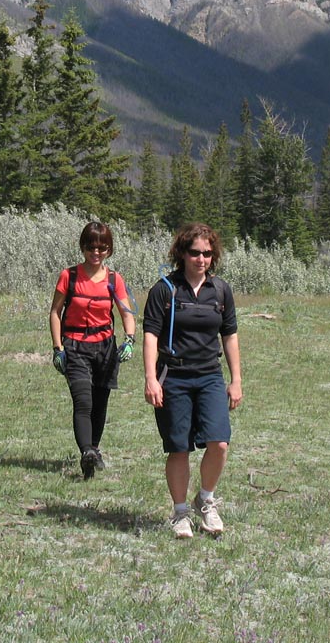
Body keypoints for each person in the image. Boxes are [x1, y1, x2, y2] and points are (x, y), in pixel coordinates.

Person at [143, 222, 242, 537]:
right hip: (174, 376)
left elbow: (229, 335)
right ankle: (180, 512)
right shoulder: (165, 290)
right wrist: (151, 378)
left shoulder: (221, 290)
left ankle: (206, 500)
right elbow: (150, 336)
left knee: (220, 443)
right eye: (195, 253)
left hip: (210, 375)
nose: (201, 259)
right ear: (182, 253)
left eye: (207, 254)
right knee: (179, 447)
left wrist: (236, 379)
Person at [49, 221, 136, 479]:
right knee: (83, 401)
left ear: (109, 249)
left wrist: (129, 340)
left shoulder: (114, 279)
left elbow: (127, 313)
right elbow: (55, 312)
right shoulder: (69, 276)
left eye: (102, 248)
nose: (96, 253)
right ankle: (86, 452)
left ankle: (94, 449)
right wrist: (57, 348)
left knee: (100, 404)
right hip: (75, 347)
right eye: (91, 247)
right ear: (83, 247)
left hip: (106, 350)